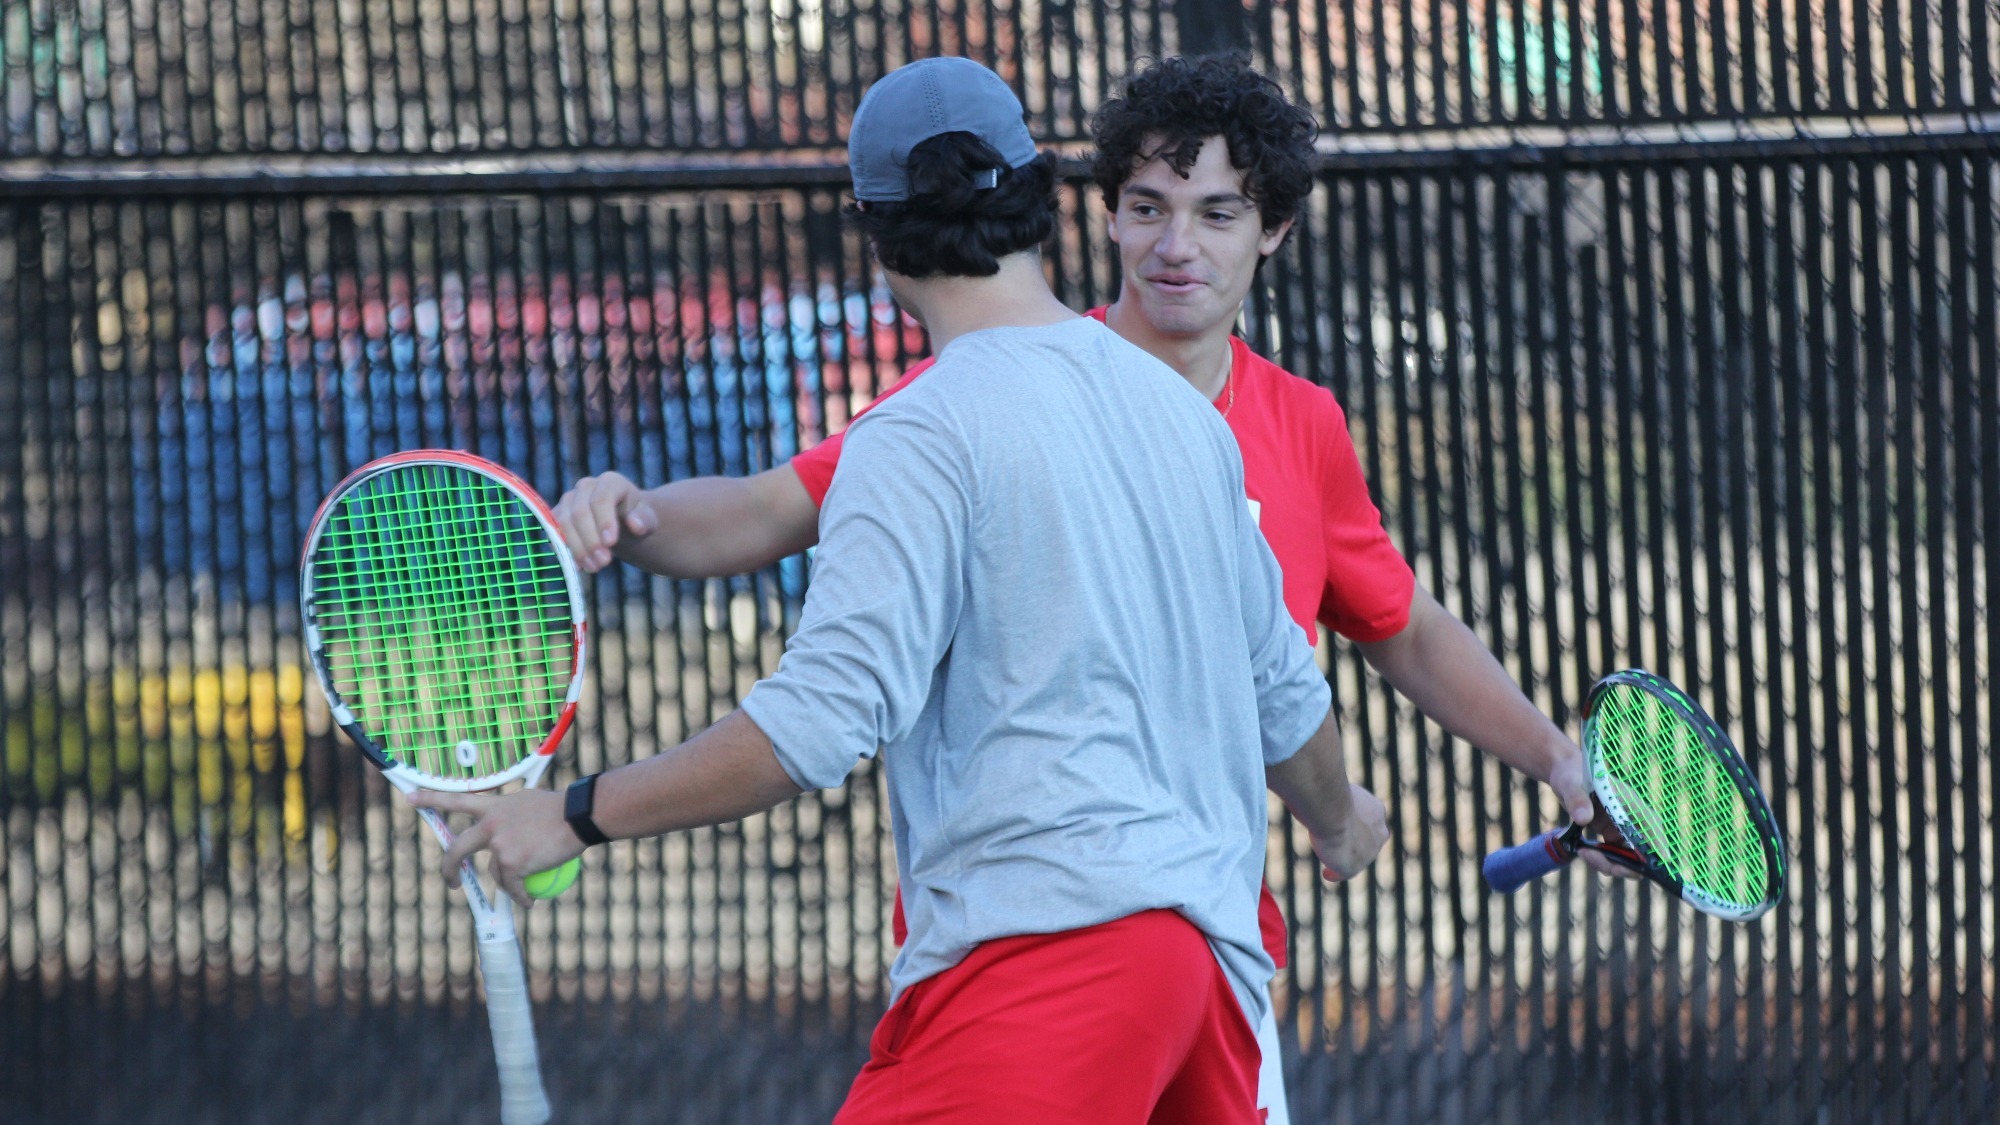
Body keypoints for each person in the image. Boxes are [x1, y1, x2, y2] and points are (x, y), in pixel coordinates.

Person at [549, 54, 1626, 1122]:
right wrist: (629, 514)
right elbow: (763, 510)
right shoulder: (969, 415)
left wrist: (1527, 763)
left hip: (1124, 958)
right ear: (1085, 212)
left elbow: (1385, 636)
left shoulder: (1267, 428)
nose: (1175, 245)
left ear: (1272, 231)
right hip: (1127, 961)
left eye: (1214, 213)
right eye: (1149, 206)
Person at [416, 56, 1387, 1123]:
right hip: (1211, 991)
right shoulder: (1186, 422)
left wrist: (574, 815)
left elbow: (817, 724)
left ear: (873, 232)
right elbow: (1284, 695)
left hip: (1048, 972)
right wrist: (1337, 822)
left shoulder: (920, 436)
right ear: (1046, 200)